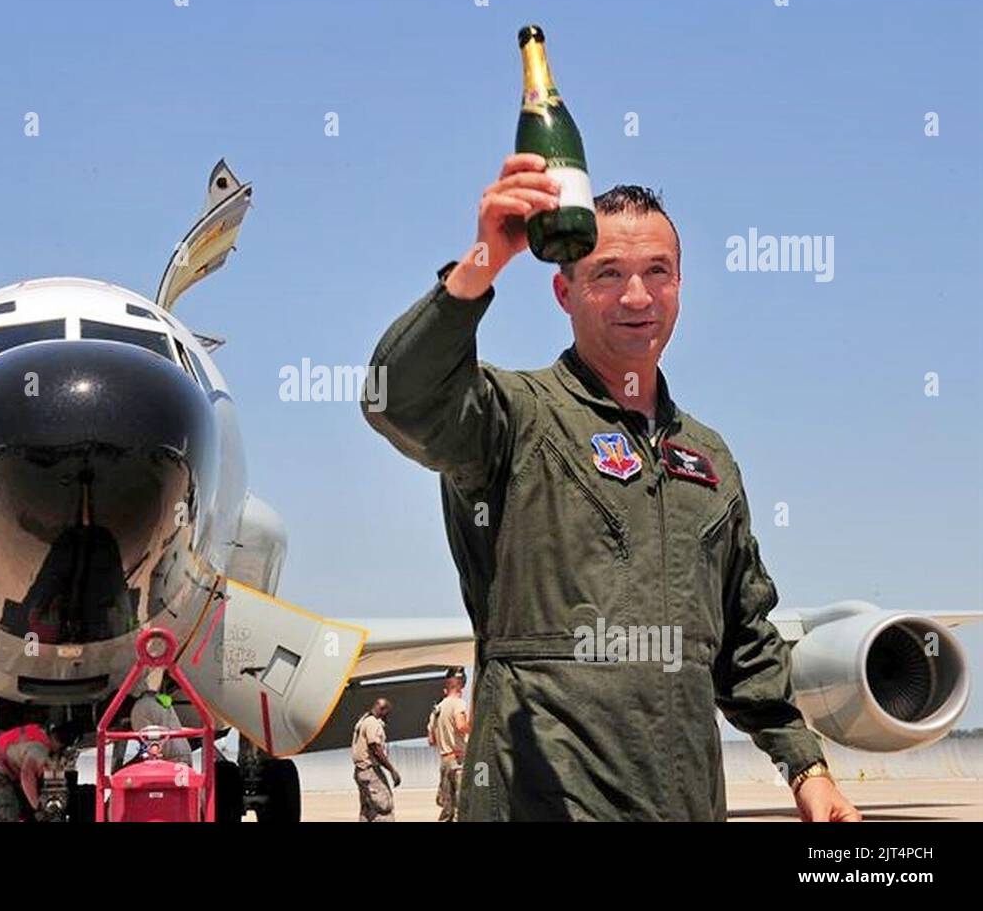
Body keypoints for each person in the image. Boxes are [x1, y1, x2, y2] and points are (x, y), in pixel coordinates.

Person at [361, 155, 861, 822]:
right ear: (564, 293)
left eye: (657, 272)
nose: (636, 297)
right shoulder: (512, 420)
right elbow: (398, 397)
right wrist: (485, 258)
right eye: (607, 274)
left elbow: (745, 638)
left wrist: (806, 767)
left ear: (680, 285)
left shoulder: (706, 460)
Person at [0, 719, 80, 822]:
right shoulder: (39, 750)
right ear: (62, 745)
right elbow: (27, 776)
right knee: (5, 813)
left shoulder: (39, 735)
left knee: (17, 808)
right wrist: (37, 807)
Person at [426, 668, 470, 822]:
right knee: (462, 807)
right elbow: (461, 725)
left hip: (445, 762)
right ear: (460, 687)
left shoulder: (437, 709)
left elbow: (431, 740)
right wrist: (475, 728)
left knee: (447, 809)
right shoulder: (458, 703)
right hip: (459, 761)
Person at [351, 698, 400, 822]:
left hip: (360, 771)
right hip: (370, 770)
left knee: (367, 810)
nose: (387, 717)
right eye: (387, 713)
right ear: (382, 710)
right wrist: (392, 770)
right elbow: (375, 748)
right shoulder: (372, 723)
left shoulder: (362, 720)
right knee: (384, 807)